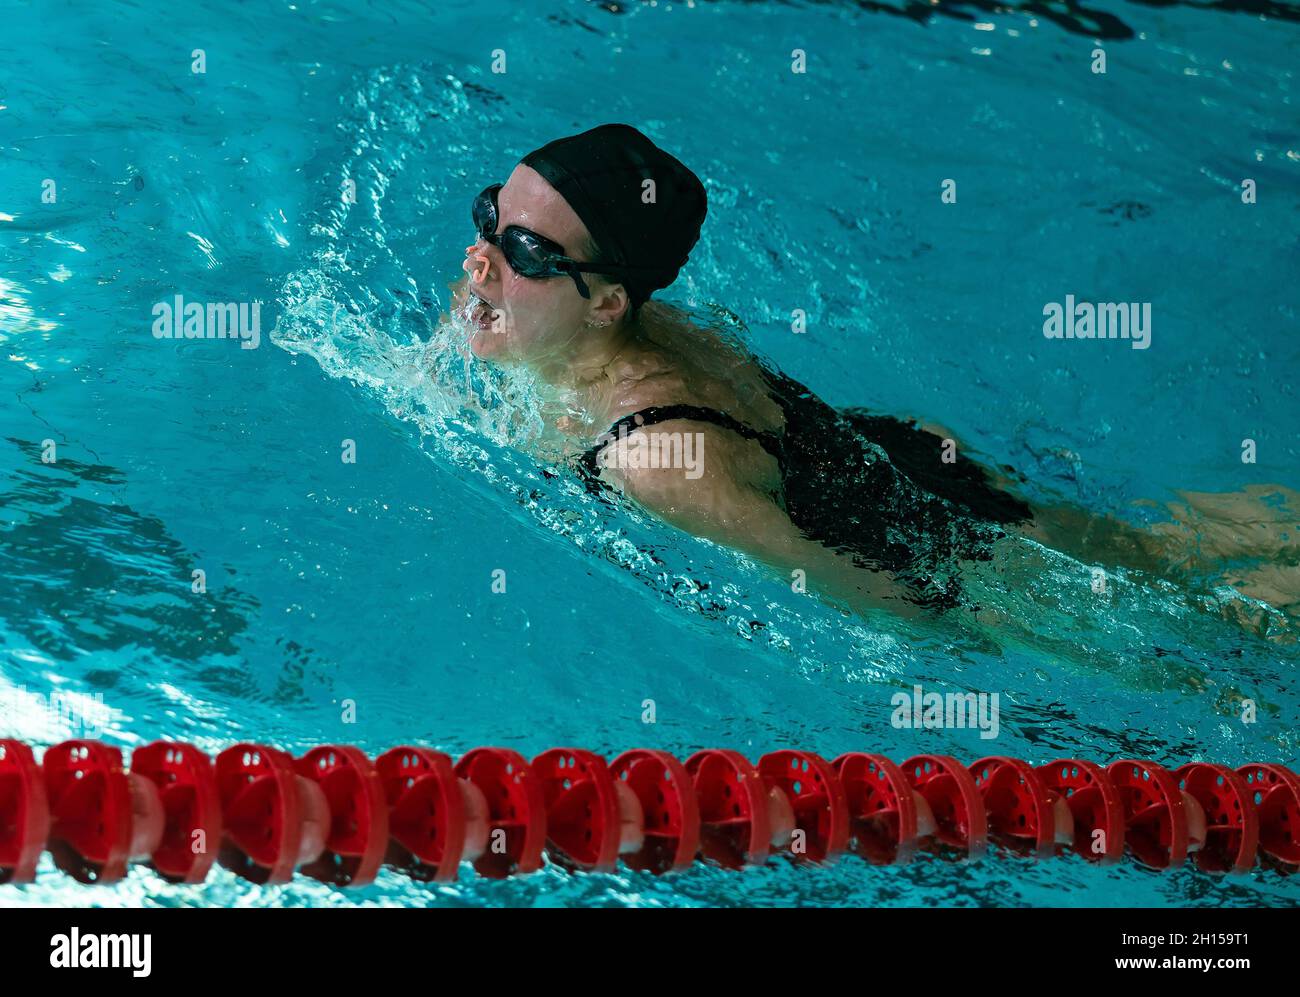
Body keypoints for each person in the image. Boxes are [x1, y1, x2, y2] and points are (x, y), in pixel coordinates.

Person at [450, 123, 1298, 625]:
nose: (480, 261)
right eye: (491, 217)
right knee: (1170, 541)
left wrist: (979, 636)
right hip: (904, 455)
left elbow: (850, 589)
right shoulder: (629, 313)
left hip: (946, 555)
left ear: (606, 305)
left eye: (523, 251)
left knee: (1213, 626)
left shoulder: (652, 458)